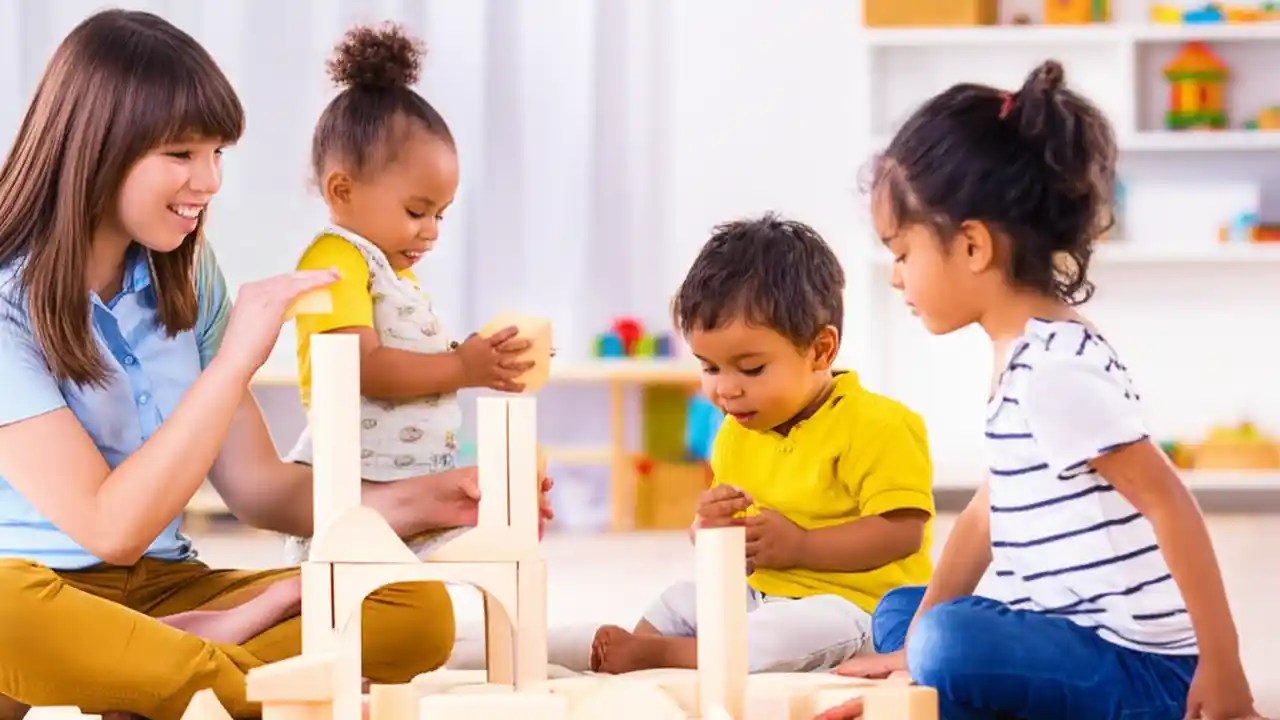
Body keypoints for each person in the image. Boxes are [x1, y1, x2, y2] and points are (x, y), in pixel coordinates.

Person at [0, 10, 481, 720]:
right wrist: (233, 362)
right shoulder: (8, 299)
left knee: (412, 611)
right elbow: (110, 528)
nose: (211, 179)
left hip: (166, 586)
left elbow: (259, 489)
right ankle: (218, 677)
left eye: (218, 152)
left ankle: (161, 672)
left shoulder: (188, 280)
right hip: (31, 588)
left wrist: (428, 498)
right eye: (183, 153)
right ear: (97, 149)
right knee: (13, 619)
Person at [820, 61, 1262, 720]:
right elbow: (983, 516)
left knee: (945, 641)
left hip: (1144, 670)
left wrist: (1223, 670)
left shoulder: (1054, 371)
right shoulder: (1022, 352)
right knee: (906, 615)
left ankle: (943, 687)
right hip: (1076, 632)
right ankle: (936, 677)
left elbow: (1171, 503)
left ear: (972, 247)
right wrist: (912, 646)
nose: (894, 277)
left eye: (902, 252)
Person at [590, 214, 936, 675]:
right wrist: (709, 530)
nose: (726, 389)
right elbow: (736, 547)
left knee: (792, 632)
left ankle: (667, 658)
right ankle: (649, 659)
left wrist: (803, 547)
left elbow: (902, 533)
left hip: (857, 610)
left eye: (750, 369)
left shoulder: (881, 425)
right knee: (679, 600)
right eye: (710, 368)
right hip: (762, 596)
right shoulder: (734, 433)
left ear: (820, 350)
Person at [281, 22, 552, 564]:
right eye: (416, 211)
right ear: (342, 190)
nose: (431, 231)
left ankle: (490, 521)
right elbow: (358, 365)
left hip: (412, 478)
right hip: (355, 483)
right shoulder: (331, 260)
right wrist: (463, 369)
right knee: (351, 590)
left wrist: (479, 356)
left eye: (441, 215)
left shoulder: (394, 276)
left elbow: (413, 362)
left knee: (505, 530)